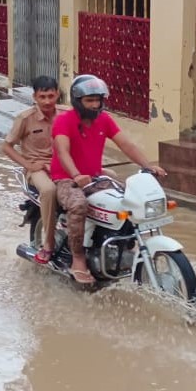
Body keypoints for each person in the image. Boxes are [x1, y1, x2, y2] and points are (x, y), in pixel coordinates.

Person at [50, 75, 166, 284]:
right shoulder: (63, 121)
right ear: (77, 101)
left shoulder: (104, 119)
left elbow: (126, 145)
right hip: (66, 179)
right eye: (89, 100)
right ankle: (78, 259)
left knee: (130, 200)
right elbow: (62, 151)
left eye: (98, 100)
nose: (95, 105)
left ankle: (125, 248)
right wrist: (76, 175)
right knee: (78, 205)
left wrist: (148, 166)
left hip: (95, 177)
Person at [2, 76, 63, 265]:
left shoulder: (67, 115)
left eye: (51, 96)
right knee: (49, 190)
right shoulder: (25, 118)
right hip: (37, 168)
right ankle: (48, 243)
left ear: (57, 95)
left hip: (64, 165)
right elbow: (6, 147)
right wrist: (29, 165)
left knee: (106, 181)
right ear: (35, 97)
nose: (47, 101)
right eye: (42, 97)